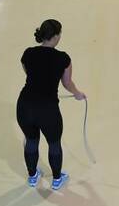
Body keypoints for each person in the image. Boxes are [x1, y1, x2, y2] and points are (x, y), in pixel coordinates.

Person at [17, 19, 86, 190]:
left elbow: (28, 72)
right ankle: (56, 179)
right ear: (55, 36)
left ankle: (32, 176)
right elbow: (67, 83)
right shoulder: (63, 59)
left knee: (31, 140)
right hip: (48, 110)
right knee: (54, 143)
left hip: (25, 105)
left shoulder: (28, 53)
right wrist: (77, 94)